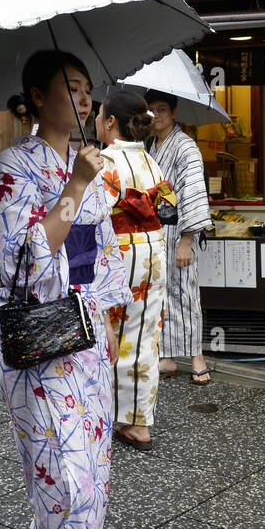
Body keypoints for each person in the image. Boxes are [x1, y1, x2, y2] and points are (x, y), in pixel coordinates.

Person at [0, 51, 141, 529]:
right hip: (38, 327)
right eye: (71, 88)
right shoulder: (11, 169)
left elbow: (103, 253)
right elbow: (22, 264)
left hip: (87, 322)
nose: (85, 99)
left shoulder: (87, 162)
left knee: (90, 451)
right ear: (36, 96)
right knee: (66, 454)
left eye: (89, 88)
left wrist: (112, 319)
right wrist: (75, 185)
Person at [95, 88, 170, 449]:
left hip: (118, 251)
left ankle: (106, 411)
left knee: (109, 331)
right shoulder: (151, 161)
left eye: (99, 114)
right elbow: (167, 207)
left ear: (110, 122)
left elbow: (90, 214)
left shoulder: (103, 161)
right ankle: (139, 421)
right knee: (144, 335)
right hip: (154, 251)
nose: (95, 119)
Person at [145, 90, 212, 384]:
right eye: (151, 110)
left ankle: (197, 356)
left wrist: (187, 240)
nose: (156, 116)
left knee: (185, 294)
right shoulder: (149, 146)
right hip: (156, 232)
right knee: (160, 295)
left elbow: (195, 193)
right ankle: (167, 356)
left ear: (173, 112)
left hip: (179, 230)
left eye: (161, 109)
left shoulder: (186, 148)